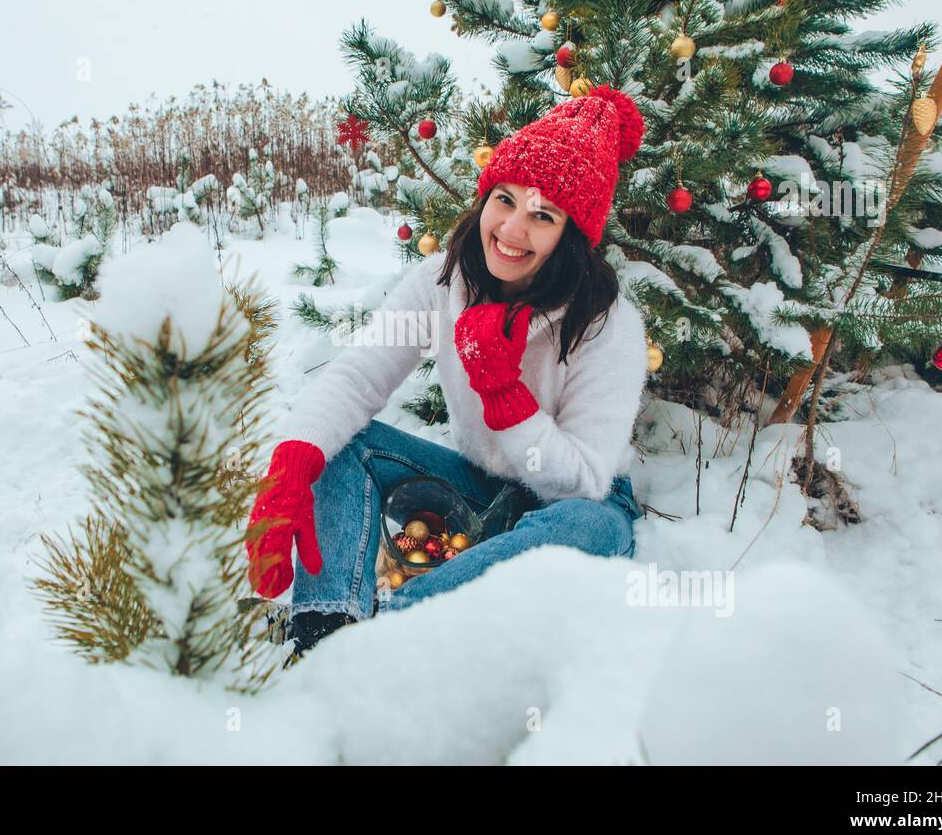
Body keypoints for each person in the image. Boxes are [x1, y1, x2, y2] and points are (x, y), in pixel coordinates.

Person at [245, 84, 650, 658]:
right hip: (480, 488)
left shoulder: (606, 324)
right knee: (341, 444)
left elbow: (584, 481)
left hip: (578, 504)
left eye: (543, 214)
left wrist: (503, 393)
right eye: (505, 199)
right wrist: (293, 460)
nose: (511, 230)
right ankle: (324, 632)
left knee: (590, 529)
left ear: (572, 236)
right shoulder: (444, 281)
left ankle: (398, 632)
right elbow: (360, 375)